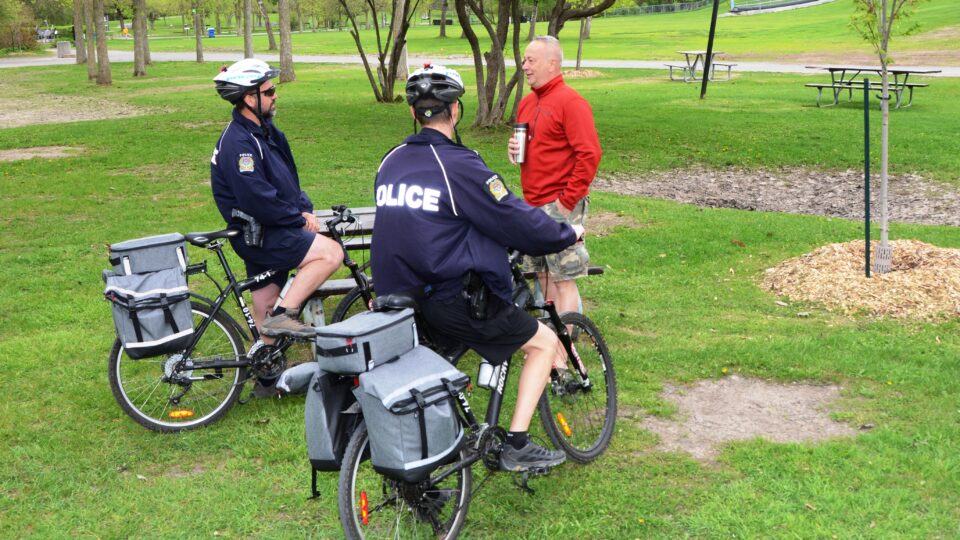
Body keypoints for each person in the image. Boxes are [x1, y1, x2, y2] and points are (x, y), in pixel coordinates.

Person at [370, 64, 584, 472]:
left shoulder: (391, 161)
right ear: (455, 111)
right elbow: (514, 218)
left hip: (399, 294)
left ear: (414, 113)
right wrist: (564, 234)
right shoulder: (460, 164)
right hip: (449, 296)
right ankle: (518, 444)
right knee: (542, 344)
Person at [210, 58, 343, 345]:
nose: (275, 95)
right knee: (331, 254)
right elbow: (257, 198)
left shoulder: (266, 132)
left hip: (269, 229)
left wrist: (303, 208)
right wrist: (297, 219)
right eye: (269, 92)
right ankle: (284, 314)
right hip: (263, 235)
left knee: (264, 307)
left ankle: (265, 378)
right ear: (249, 98)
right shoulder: (239, 144)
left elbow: (287, 182)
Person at [507, 35, 602, 319]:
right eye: (524, 60)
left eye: (530, 60)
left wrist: (566, 202)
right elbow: (534, 142)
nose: (524, 66)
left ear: (552, 63)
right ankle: (552, 339)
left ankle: (565, 348)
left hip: (561, 203)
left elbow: (590, 154)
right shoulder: (527, 102)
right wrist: (514, 148)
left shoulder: (571, 102)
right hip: (533, 205)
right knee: (543, 275)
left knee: (563, 278)